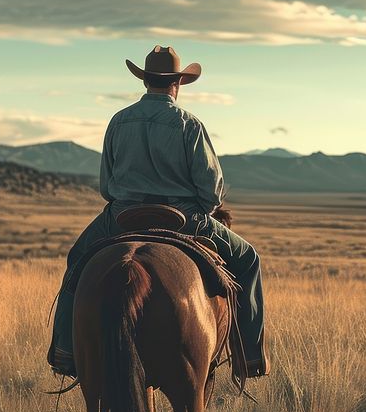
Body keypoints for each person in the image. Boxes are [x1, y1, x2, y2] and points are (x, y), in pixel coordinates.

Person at [46, 45, 269, 379]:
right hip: (182, 215)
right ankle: (249, 356)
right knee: (248, 258)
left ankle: (65, 350)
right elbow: (211, 188)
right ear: (177, 83)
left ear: (146, 80)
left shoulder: (119, 121)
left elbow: (106, 185)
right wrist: (201, 212)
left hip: (123, 214)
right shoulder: (189, 124)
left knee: (77, 260)